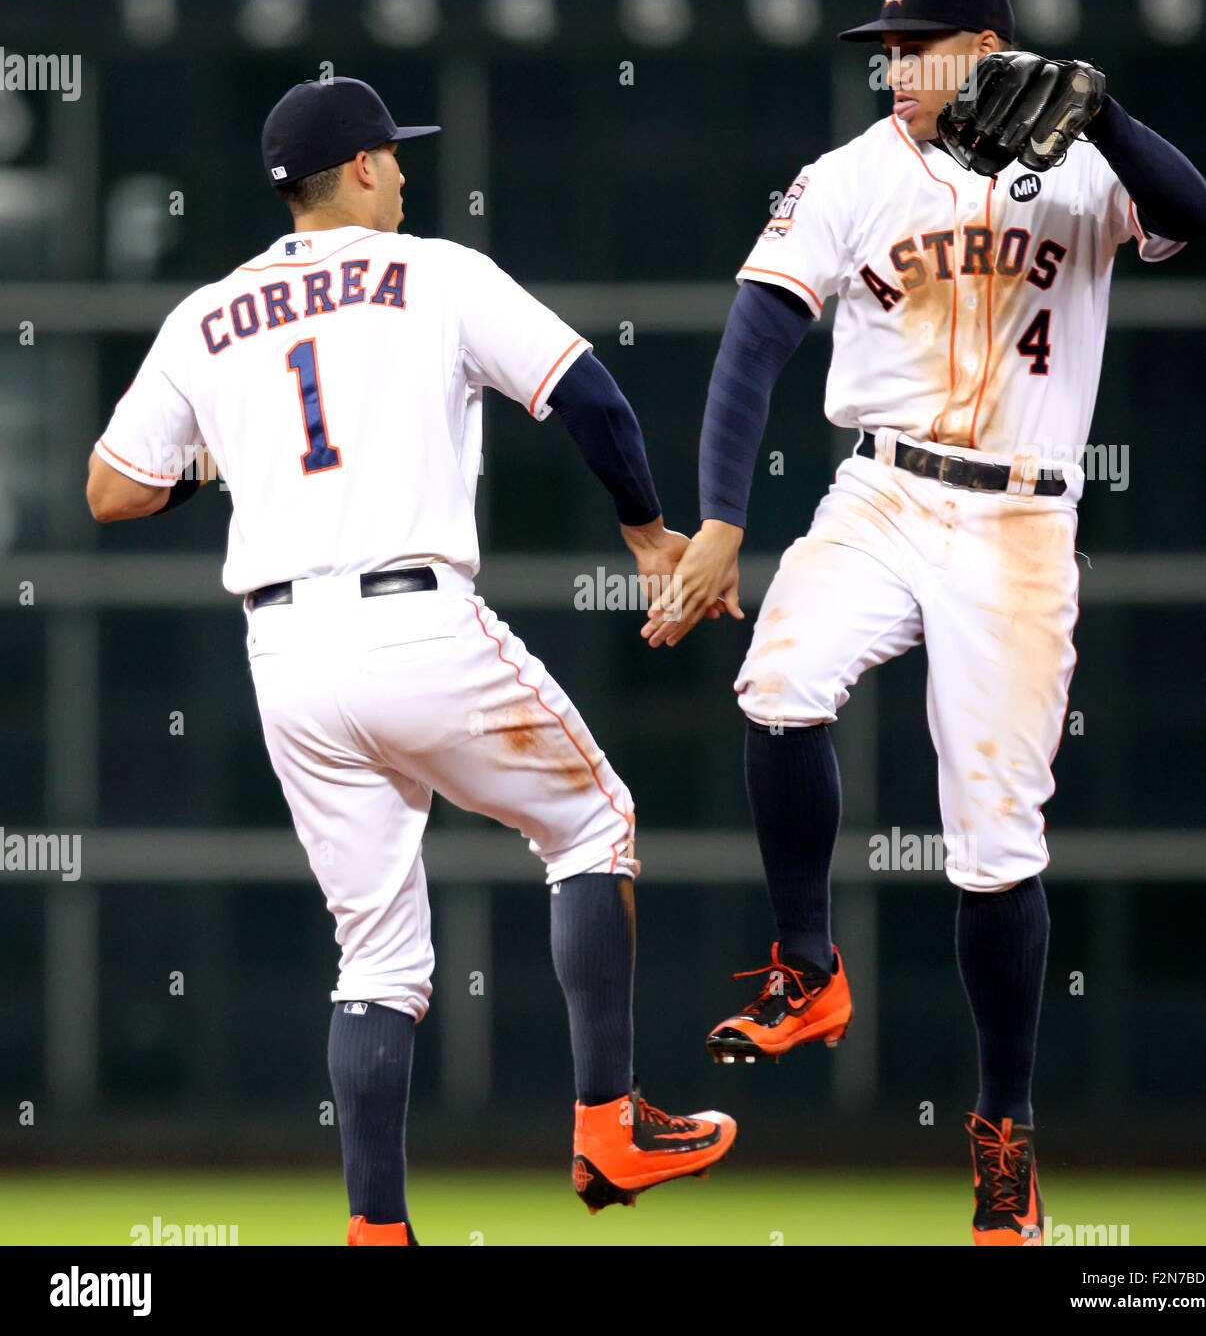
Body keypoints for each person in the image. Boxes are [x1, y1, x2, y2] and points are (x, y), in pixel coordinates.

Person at [87, 75, 735, 1245]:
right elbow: (588, 394)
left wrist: (228, 461)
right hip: (413, 617)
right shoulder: (434, 272)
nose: (405, 171)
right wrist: (647, 532)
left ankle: (376, 1230)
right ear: (366, 167)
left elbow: (110, 488)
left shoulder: (206, 315)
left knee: (376, 957)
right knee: (592, 826)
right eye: (394, 154)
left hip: (283, 652)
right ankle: (606, 1126)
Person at [643, 0, 1206, 1244]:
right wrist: (724, 517)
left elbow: (1202, 212)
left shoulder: (1077, 168)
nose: (895, 66)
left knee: (995, 840)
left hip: (1021, 514)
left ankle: (1003, 1132)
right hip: (884, 487)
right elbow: (753, 341)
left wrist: (1105, 112)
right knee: (778, 685)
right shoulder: (848, 175)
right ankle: (809, 967)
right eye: (886, 47)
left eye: (919, 45)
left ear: (987, 50)